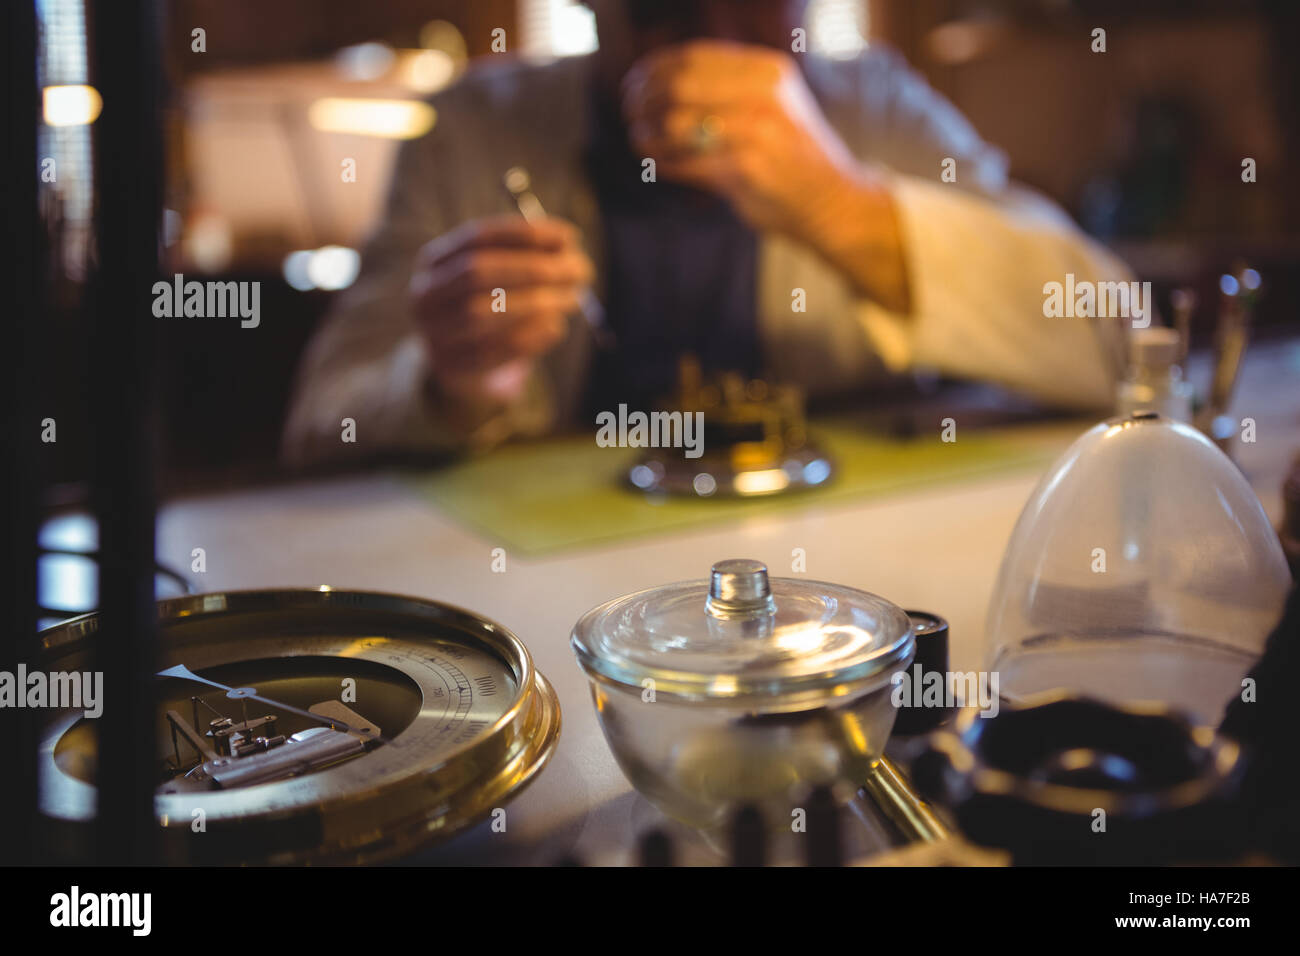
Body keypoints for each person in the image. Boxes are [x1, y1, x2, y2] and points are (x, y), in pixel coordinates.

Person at [283, 0, 1132, 467]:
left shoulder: (878, 111)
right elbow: (321, 428)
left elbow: (1118, 341)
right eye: (666, 8)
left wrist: (838, 203)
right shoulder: (470, 132)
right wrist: (450, 382)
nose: (714, 41)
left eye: (756, 7)